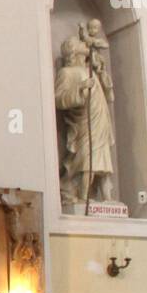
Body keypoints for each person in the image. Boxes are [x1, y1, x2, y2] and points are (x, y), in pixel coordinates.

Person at [54, 34, 115, 206]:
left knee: (103, 158)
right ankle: (83, 197)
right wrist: (80, 89)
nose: (84, 45)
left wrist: (101, 71)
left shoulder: (91, 70)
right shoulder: (66, 73)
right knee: (87, 158)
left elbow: (106, 95)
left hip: (100, 119)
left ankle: (107, 198)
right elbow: (59, 99)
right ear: (74, 51)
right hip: (84, 123)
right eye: (81, 45)